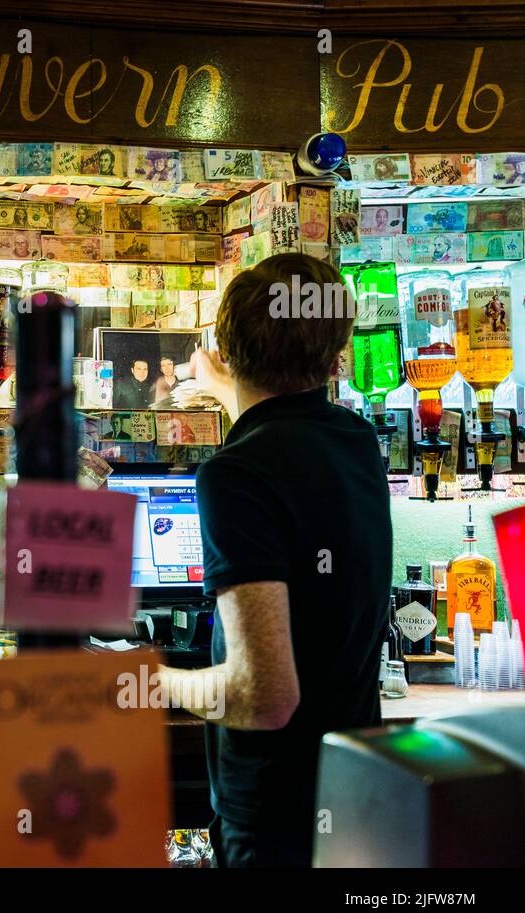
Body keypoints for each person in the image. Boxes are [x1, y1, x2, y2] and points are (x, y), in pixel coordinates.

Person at [157, 253, 391, 868]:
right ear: (336, 352)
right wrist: (226, 386)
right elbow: (283, 429)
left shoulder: (234, 476)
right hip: (356, 796)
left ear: (229, 351)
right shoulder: (357, 442)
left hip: (277, 822)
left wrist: (150, 683)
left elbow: (265, 697)